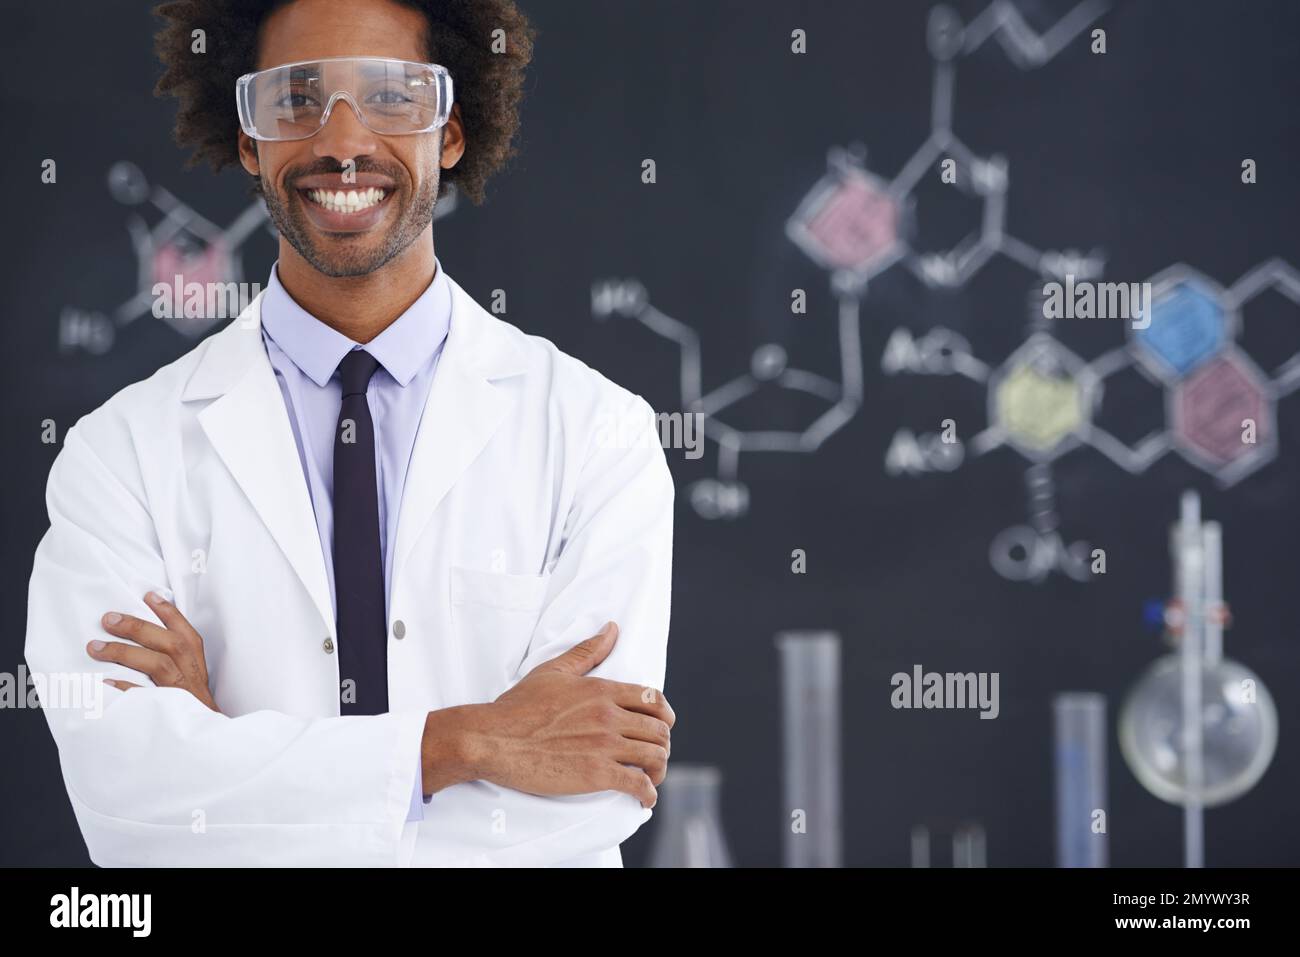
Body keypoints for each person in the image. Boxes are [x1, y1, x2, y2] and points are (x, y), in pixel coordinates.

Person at [24, 0, 675, 867]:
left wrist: (229, 759)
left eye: (392, 97)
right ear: (249, 139)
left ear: (451, 129)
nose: (342, 141)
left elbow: (591, 793)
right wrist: (463, 743)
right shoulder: (120, 457)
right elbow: (125, 798)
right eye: (296, 99)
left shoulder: (599, 434)